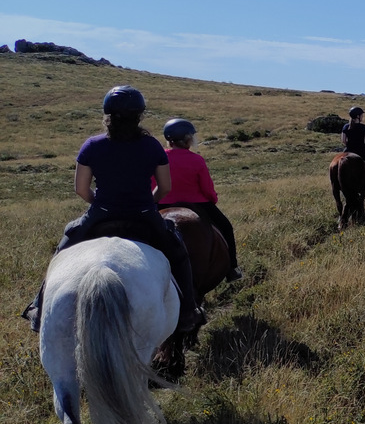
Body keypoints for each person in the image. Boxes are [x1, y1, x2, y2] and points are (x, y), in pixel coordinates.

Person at [21, 86, 203, 334]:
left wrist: (101, 203)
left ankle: (39, 308)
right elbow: (165, 187)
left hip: (102, 213)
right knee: (178, 252)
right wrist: (146, 203)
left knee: (63, 249)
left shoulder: (92, 145)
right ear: (140, 115)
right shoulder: (151, 146)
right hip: (144, 215)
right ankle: (187, 312)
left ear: (107, 114)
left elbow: (81, 189)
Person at [157, 118, 243, 281]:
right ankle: (232, 268)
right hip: (198, 204)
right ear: (188, 139)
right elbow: (207, 189)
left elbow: (153, 183)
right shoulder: (197, 160)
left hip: (162, 203)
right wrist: (213, 199)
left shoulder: (159, 158)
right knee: (226, 227)